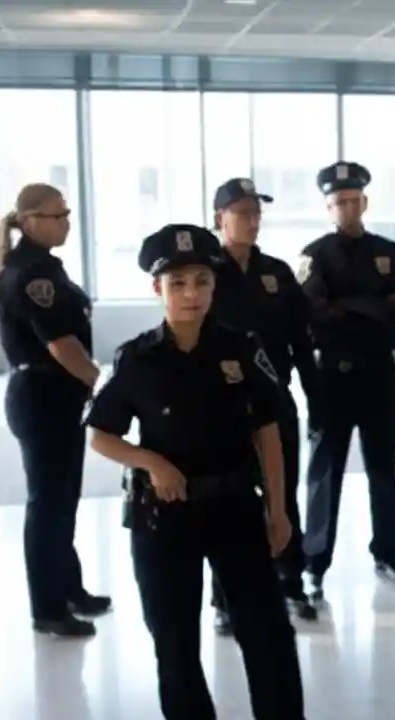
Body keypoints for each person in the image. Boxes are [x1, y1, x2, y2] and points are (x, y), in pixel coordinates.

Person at [86, 223, 305, 720]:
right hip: (164, 517)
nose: (192, 293)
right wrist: (151, 461)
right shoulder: (137, 359)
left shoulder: (241, 348)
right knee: (176, 641)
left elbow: (267, 429)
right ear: (157, 288)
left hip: (235, 508)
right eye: (178, 282)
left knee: (268, 634)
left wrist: (279, 508)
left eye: (202, 281)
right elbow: (100, 435)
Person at [0, 182, 111, 639]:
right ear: (27, 221)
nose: (65, 223)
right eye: (55, 216)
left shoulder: (44, 267)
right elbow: (61, 345)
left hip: (56, 398)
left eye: (66, 214)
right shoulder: (32, 274)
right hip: (43, 398)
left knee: (63, 499)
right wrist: (98, 382)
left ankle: (68, 589)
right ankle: (48, 607)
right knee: (48, 505)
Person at [296, 161, 395, 600]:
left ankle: (388, 553)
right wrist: (374, 305)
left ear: (364, 202)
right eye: (338, 202)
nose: (347, 208)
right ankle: (315, 562)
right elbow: (313, 317)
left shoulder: (387, 250)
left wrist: (347, 305)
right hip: (333, 376)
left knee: (383, 469)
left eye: (354, 200)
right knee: (325, 471)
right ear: (328, 207)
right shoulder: (315, 255)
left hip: (380, 373)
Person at [207, 177, 321, 630]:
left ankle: (289, 583)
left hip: (275, 399)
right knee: (229, 501)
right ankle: (224, 601)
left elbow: (300, 339)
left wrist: (317, 397)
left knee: (282, 491)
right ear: (220, 219)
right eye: (242, 213)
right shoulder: (205, 275)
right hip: (224, 406)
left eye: (257, 213)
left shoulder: (276, 272)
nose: (252, 221)